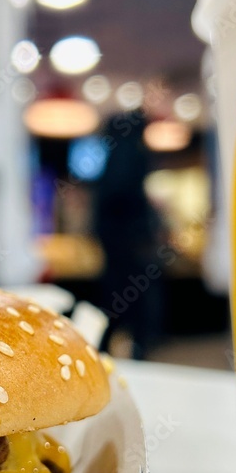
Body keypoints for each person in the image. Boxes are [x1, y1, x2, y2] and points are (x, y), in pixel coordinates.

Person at [93, 111, 166, 359]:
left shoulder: (115, 152)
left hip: (117, 244)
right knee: (131, 302)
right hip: (129, 245)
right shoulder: (129, 151)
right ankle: (133, 350)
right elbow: (121, 194)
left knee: (116, 301)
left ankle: (111, 350)